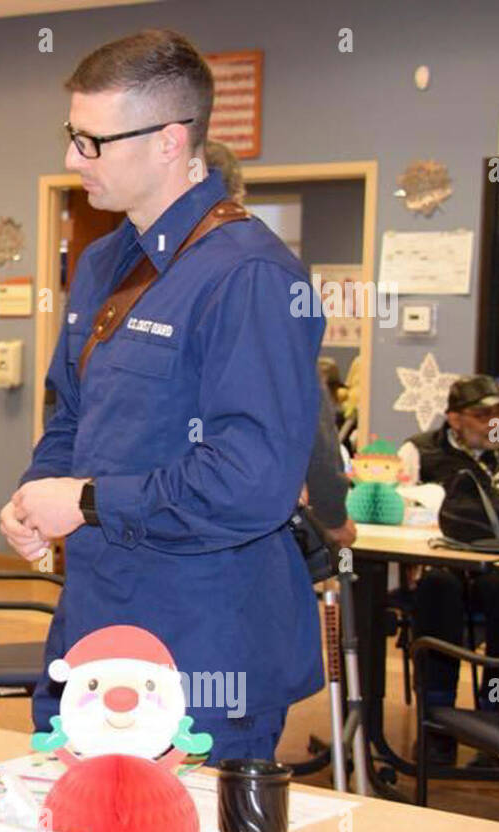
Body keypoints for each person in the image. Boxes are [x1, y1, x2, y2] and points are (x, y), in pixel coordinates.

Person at [0, 30, 324, 763]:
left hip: (203, 648)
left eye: (92, 142)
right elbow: (70, 415)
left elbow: (253, 483)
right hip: (94, 627)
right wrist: (34, 497)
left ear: (171, 140)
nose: (71, 159)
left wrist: (83, 502)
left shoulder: (250, 277)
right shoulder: (100, 264)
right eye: (70, 136)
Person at [206, 138, 355, 548]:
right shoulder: (266, 271)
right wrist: (331, 512)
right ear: (239, 194)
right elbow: (307, 409)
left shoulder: (135, 271)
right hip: (240, 515)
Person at [396, 374, 499, 764]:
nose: (497, 422)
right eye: (484, 414)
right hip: (440, 566)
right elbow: (399, 513)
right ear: (455, 418)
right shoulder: (420, 451)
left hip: (497, 571)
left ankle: (496, 717)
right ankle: (438, 722)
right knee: (438, 588)